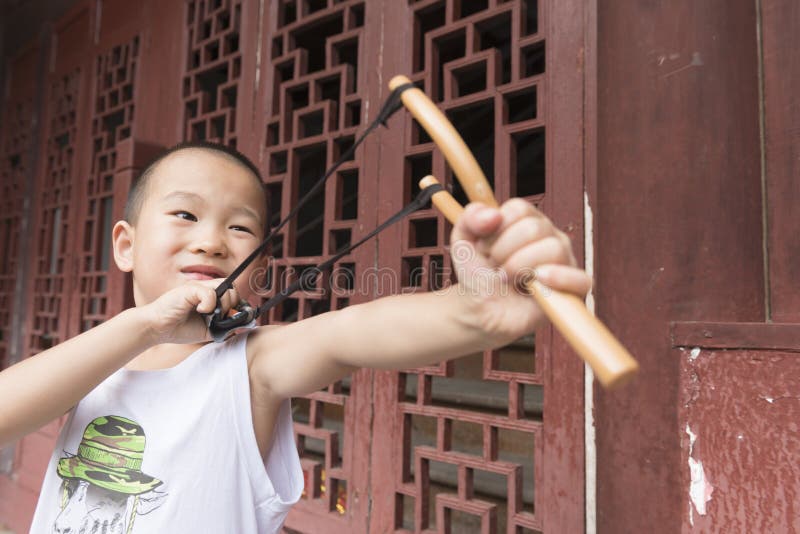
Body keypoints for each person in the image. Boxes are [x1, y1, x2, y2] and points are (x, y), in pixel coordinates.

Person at [0, 142, 591, 533]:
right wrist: (140, 327)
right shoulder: (93, 361)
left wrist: (471, 310)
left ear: (259, 265)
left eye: (240, 227)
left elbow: (346, 336)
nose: (211, 240)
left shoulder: (249, 363)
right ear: (125, 244)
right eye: (185, 215)